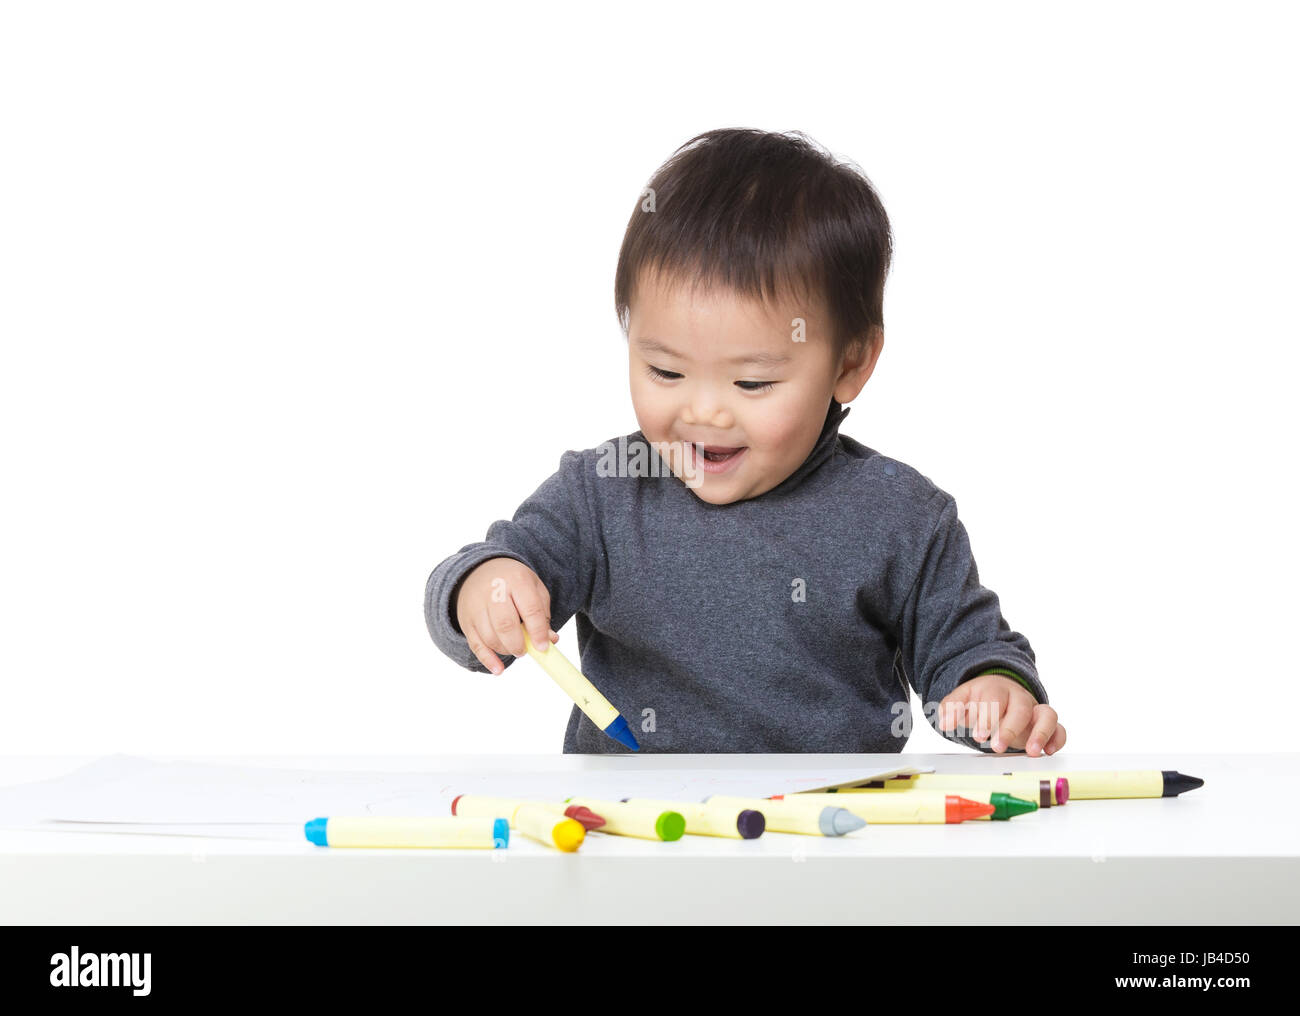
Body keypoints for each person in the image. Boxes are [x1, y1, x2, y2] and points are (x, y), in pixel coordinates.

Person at [425, 128, 1066, 757]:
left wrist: (993, 694)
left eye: (753, 382)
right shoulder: (604, 492)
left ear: (851, 363)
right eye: (665, 372)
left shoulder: (900, 515)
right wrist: (485, 588)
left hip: (830, 834)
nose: (704, 411)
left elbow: (969, 649)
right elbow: (490, 577)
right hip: (633, 836)